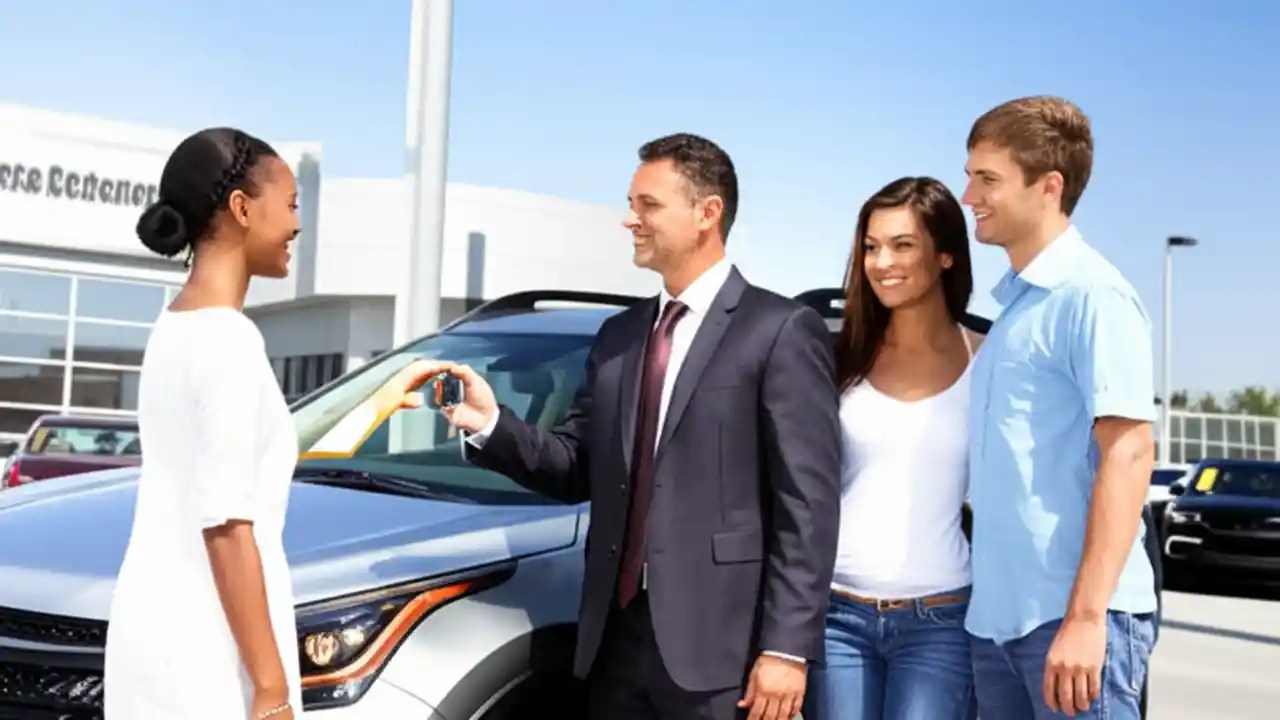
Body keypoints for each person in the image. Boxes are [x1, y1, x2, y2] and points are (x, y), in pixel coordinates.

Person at [390, 133, 842, 720]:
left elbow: (807, 506)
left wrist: (786, 649)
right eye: (632, 204)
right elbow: (577, 465)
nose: (630, 220)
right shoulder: (621, 336)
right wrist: (489, 422)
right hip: (614, 643)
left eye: (647, 205)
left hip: (725, 653)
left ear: (708, 212)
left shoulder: (780, 329)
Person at [960, 96, 1158, 719]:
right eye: (970, 177)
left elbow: (1129, 454)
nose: (969, 196)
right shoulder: (1018, 309)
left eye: (987, 179)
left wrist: (1085, 618)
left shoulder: (1092, 295)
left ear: (1049, 187)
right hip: (998, 627)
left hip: (1071, 627)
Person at [104, 127, 303, 720]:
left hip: (153, 634)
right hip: (209, 656)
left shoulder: (173, 327)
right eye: (291, 204)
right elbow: (226, 526)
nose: (297, 225)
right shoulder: (229, 342)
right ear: (242, 208)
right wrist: (270, 690)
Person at [801, 177, 980, 720]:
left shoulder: (990, 359)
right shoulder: (836, 358)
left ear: (946, 254)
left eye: (903, 245)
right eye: (872, 246)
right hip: (835, 619)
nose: (882, 262)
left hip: (943, 622)